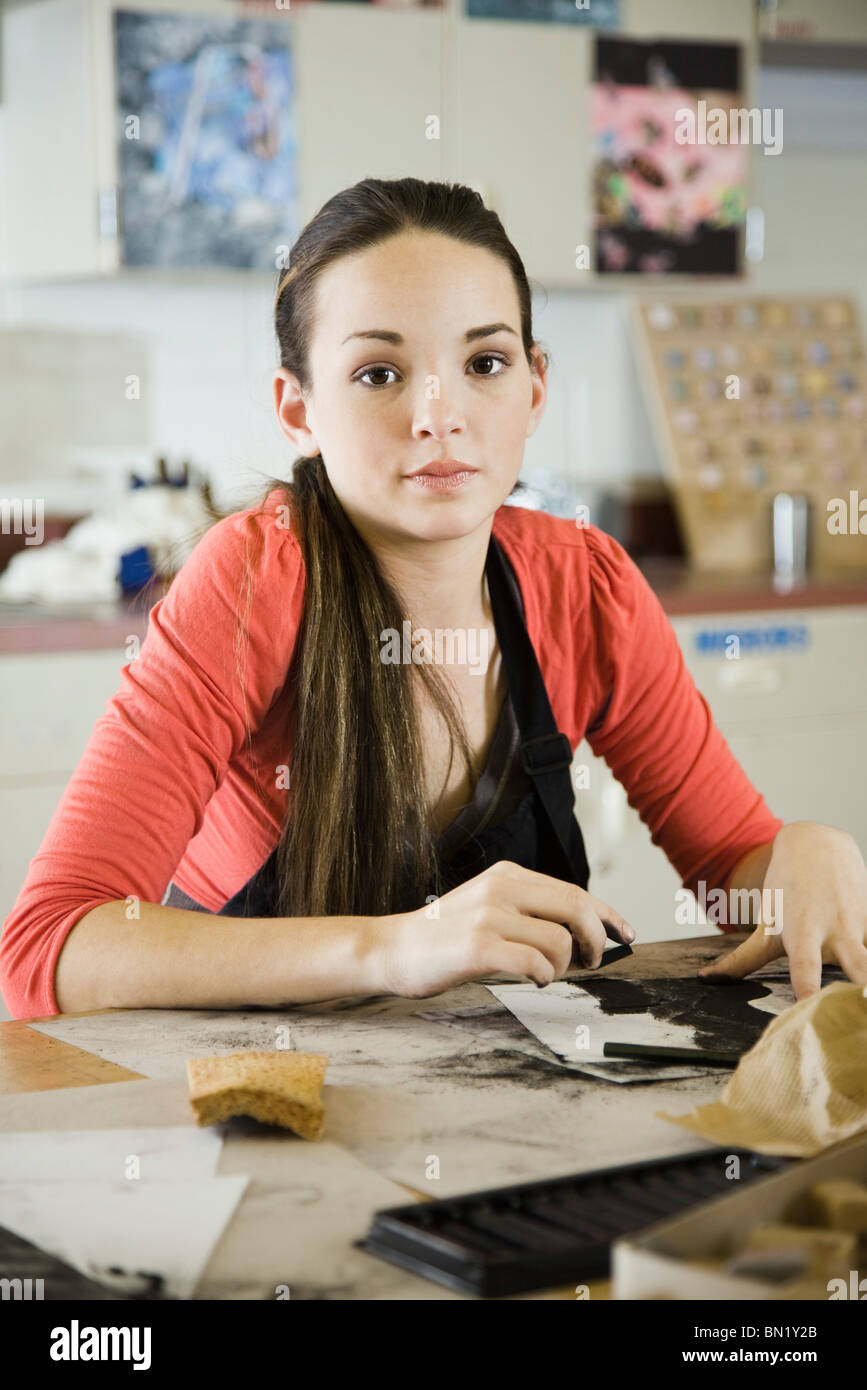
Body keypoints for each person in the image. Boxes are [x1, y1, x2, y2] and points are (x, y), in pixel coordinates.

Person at [2, 177, 865, 1021]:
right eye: (379, 373)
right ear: (296, 410)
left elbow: (732, 875)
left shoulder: (588, 589)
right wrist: (401, 946)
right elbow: (49, 945)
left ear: (533, 388)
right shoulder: (254, 579)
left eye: (483, 363)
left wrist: (800, 859)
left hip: (513, 1112)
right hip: (252, 1110)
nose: (438, 415)